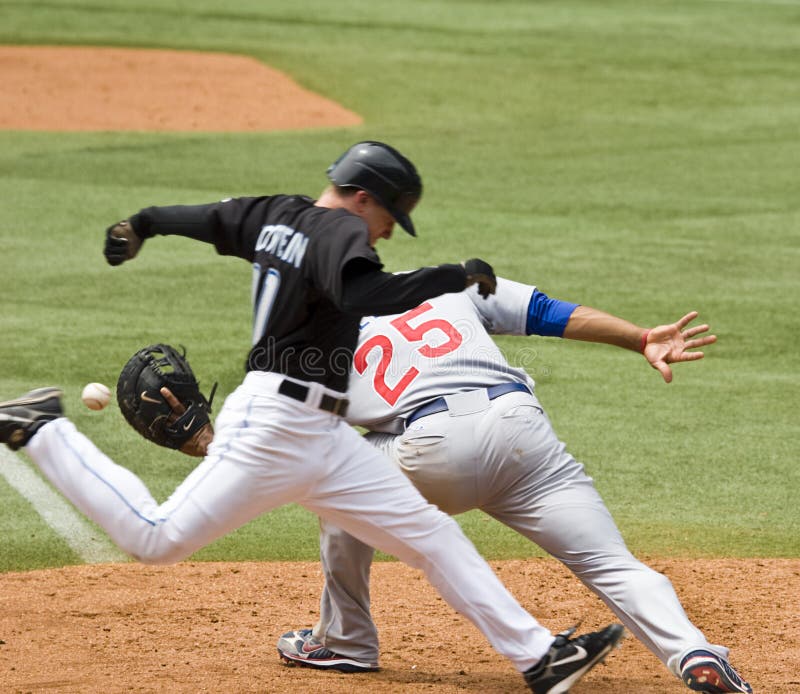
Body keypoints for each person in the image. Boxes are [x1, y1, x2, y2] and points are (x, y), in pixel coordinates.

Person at [0, 141, 624, 694]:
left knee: (432, 537)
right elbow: (363, 292)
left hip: (323, 436)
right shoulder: (340, 231)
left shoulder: (273, 213)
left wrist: (138, 225)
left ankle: (541, 657)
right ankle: (43, 428)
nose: (383, 234)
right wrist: (451, 277)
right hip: (275, 424)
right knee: (157, 540)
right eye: (388, 219)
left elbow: (202, 218)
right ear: (362, 198)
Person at [274, 276, 753, 694]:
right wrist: (643, 337)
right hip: (520, 428)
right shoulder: (439, 283)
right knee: (610, 563)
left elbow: (306, 431)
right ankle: (694, 653)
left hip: (428, 449)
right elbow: (546, 312)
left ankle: (346, 641)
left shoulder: (320, 340)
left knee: (339, 485)